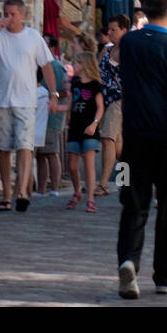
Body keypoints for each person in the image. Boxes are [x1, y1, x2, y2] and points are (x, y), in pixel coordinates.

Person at [117, 0, 167, 300]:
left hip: (133, 135)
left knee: (132, 202)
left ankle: (128, 261)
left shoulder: (128, 42)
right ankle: (164, 276)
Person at [0, 0, 60, 211]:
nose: (9, 18)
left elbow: (46, 66)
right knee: (4, 149)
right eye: (6, 14)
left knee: (25, 146)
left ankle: (21, 191)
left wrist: (54, 94)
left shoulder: (33, 37)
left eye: (13, 14)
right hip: (0, 100)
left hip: (25, 100)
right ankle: (6, 194)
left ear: (22, 15)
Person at [66, 38, 104, 212]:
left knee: (89, 165)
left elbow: (100, 108)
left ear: (86, 64)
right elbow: (69, 104)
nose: (75, 65)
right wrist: (58, 107)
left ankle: (90, 198)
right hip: (75, 127)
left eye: (78, 63)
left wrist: (95, 124)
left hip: (89, 128)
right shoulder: (74, 83)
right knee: (72, 166)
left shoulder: (96, 85)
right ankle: (77, 191)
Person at [98, 15, 128, 196]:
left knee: (107, 139)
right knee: (118, 147)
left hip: (119, 100)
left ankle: (103, 184)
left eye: (113, 30)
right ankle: (127, 181)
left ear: (124, 30)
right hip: (106, 99)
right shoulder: (107, 50)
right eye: (108, 29)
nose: (109, 33)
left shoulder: (127, 51)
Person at [37, 36, 70, 196]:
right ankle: (41, 189)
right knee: (41, 155)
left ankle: (55, 189)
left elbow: (65, 90)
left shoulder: (56, 66)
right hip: (40, 117)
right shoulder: (41, 65)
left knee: (51, 153)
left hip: (52, 116)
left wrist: (53, 96)